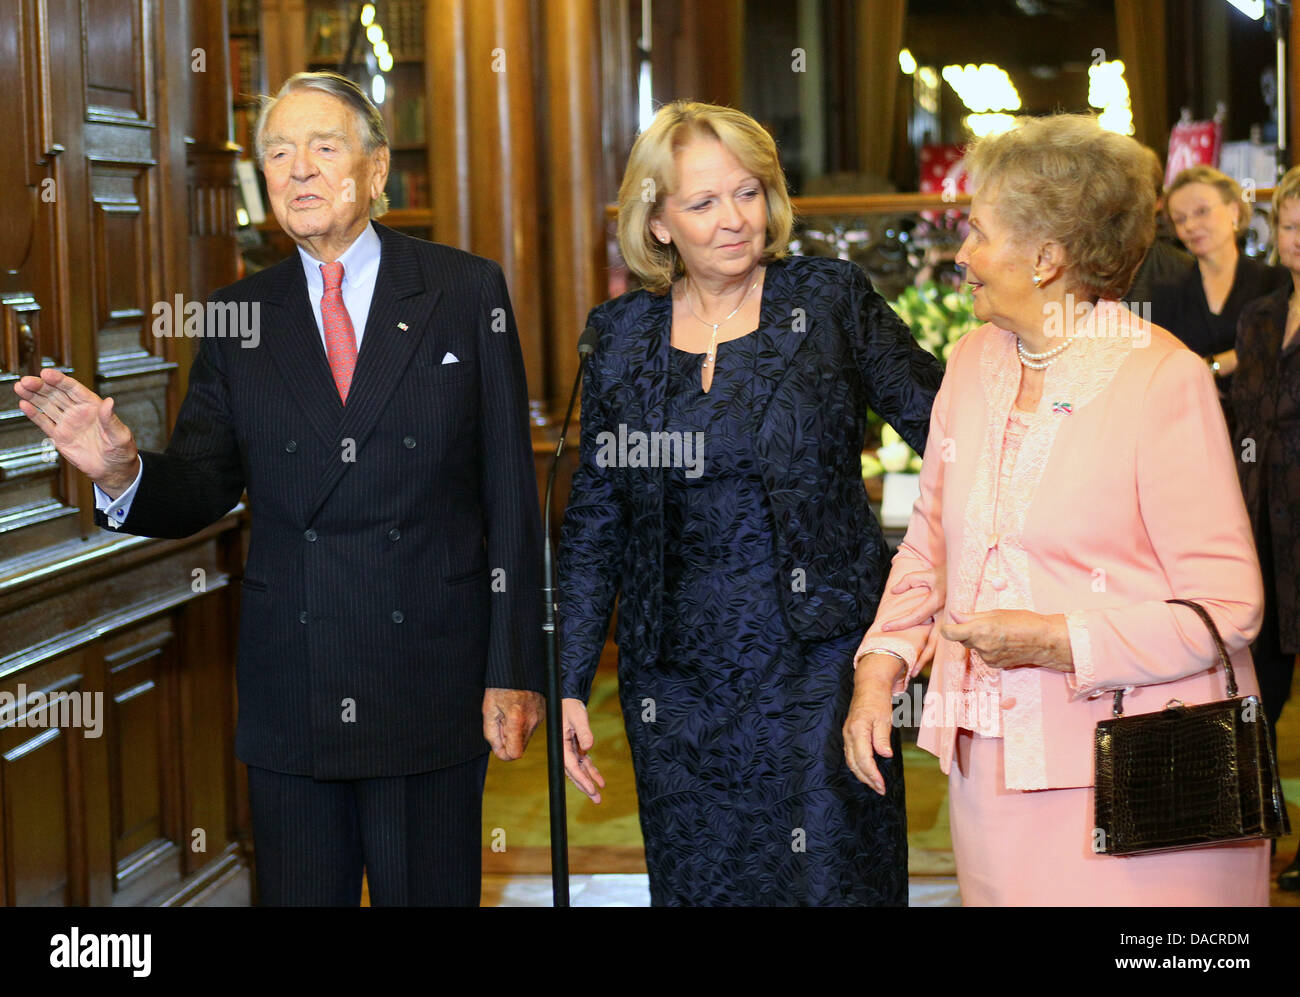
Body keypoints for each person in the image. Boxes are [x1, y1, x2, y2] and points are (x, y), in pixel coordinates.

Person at [12, 72, 544, 906]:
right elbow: (201, 486)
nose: (298, 169)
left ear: (376, 171)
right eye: (277, 153)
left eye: (323, 148)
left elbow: (513, 496)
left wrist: (514, 668)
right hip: (293, 687)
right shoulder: (238, 315)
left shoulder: (463, 291)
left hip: (428, 678)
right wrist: (120, 467)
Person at [847, 114, 1269, 906]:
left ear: (1046, 258)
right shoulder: (973, 364)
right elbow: (928, 540)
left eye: (976, 232)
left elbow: (1229, 606)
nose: (961, 256)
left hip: (1140, 773)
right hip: (992, 773)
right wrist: (881, 667)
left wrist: (1052, 640)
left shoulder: (1161, 379)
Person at [556, 100, 945, 906]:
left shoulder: (831, 301)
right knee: (703, 883)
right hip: (676, 681)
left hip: (820, 660)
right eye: (702, 203)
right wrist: (567, 678)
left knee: (829, 879)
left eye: (748, 192)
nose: (735, 219)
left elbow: (947, 426)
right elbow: (598, 515)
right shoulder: (620, 335)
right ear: (658, 222)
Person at [1233, 166, 1300, 891]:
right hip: (1260, 530)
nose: (1299, 239)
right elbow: (1243, 419)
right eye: (1290, 225)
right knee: (1259, 698)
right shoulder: (1257, 317)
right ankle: (1259, 837)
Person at [1151, 165, 1287, 409]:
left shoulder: (1277, 282)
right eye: (1180, 219)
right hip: (1193, 424)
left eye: (1201, 211)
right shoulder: (1165, 293)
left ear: (1234, 211)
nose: (1190, 226)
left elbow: (1286, 350)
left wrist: (1216, 365)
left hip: (1266, 425)